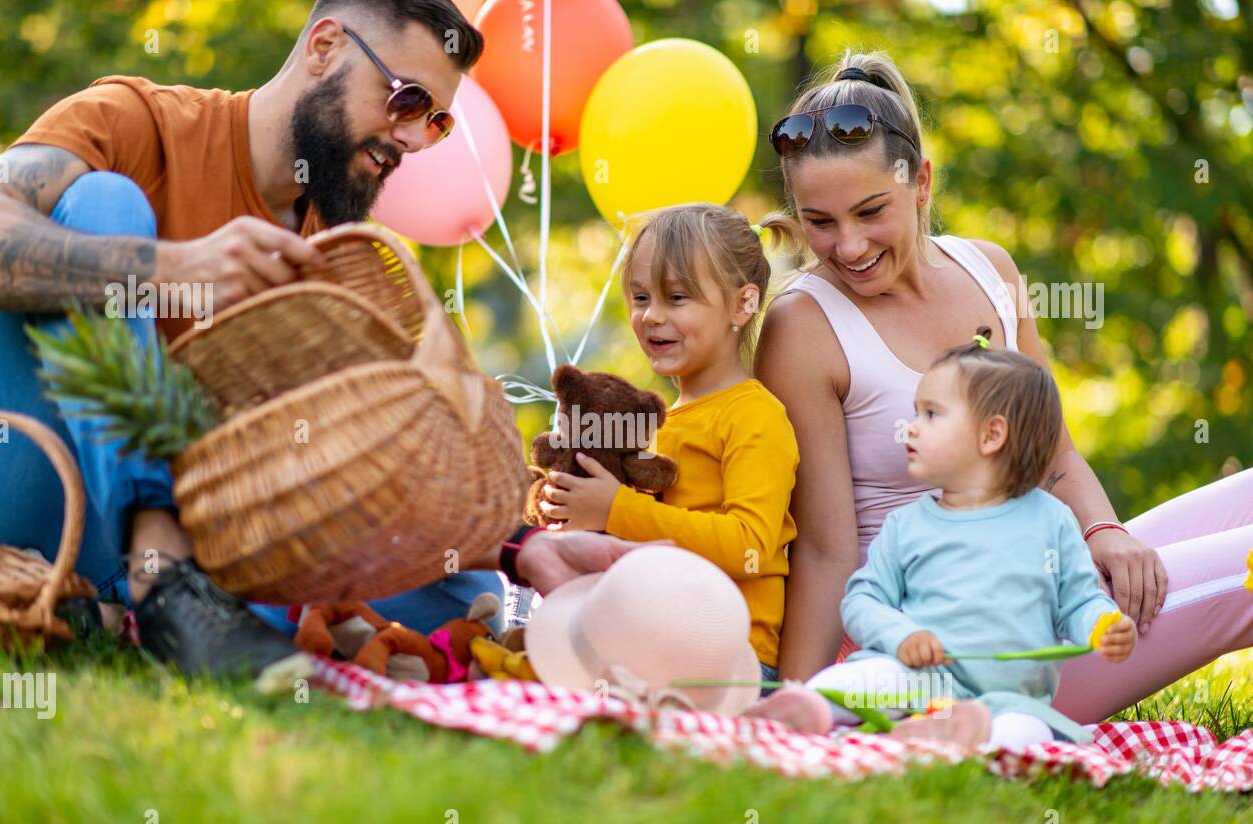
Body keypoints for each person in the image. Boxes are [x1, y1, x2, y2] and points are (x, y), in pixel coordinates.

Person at [0, 1, 643, 676]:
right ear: (324, 47)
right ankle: (160, 578)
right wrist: (172, 268)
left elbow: (376, 470)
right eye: (404, 101)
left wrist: (524, 549)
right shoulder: (139, 120)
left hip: (145, 558)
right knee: (108, 202)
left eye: (434, 122)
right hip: (6, 488)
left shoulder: (331, 260)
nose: (409, 140)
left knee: (455, 590)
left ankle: (130, 607)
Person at [754, 50, 1253, 723]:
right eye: (819, 222)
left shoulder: (990, 268)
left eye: (870, 211)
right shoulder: (804, 325)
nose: (847, 246)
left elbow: (1055, 455)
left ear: (921, 181)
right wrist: (803, 705)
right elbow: (821, 548)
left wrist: (1102, 528)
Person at [793, 329, 1137, 748]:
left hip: (1010, 701)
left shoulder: (1052, 521)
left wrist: (1103, 626)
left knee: (1023, 735)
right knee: (857, 680)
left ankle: (945, 736)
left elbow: (1080, 601)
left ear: (991, 435)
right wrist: (902, 637)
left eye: (931, 415)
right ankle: (807, 708)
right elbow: (862, 601)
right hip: (917, 681)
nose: (910, 430)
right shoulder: (907, 525)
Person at [537, 203, 800, 682]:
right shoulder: (657, 422)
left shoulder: (754, 415)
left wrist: (616, 510)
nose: (651, 317)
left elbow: (750, 545)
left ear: (743, 304)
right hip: (655, 639)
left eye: (677, 298)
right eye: (640, 298)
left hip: (731, 655)